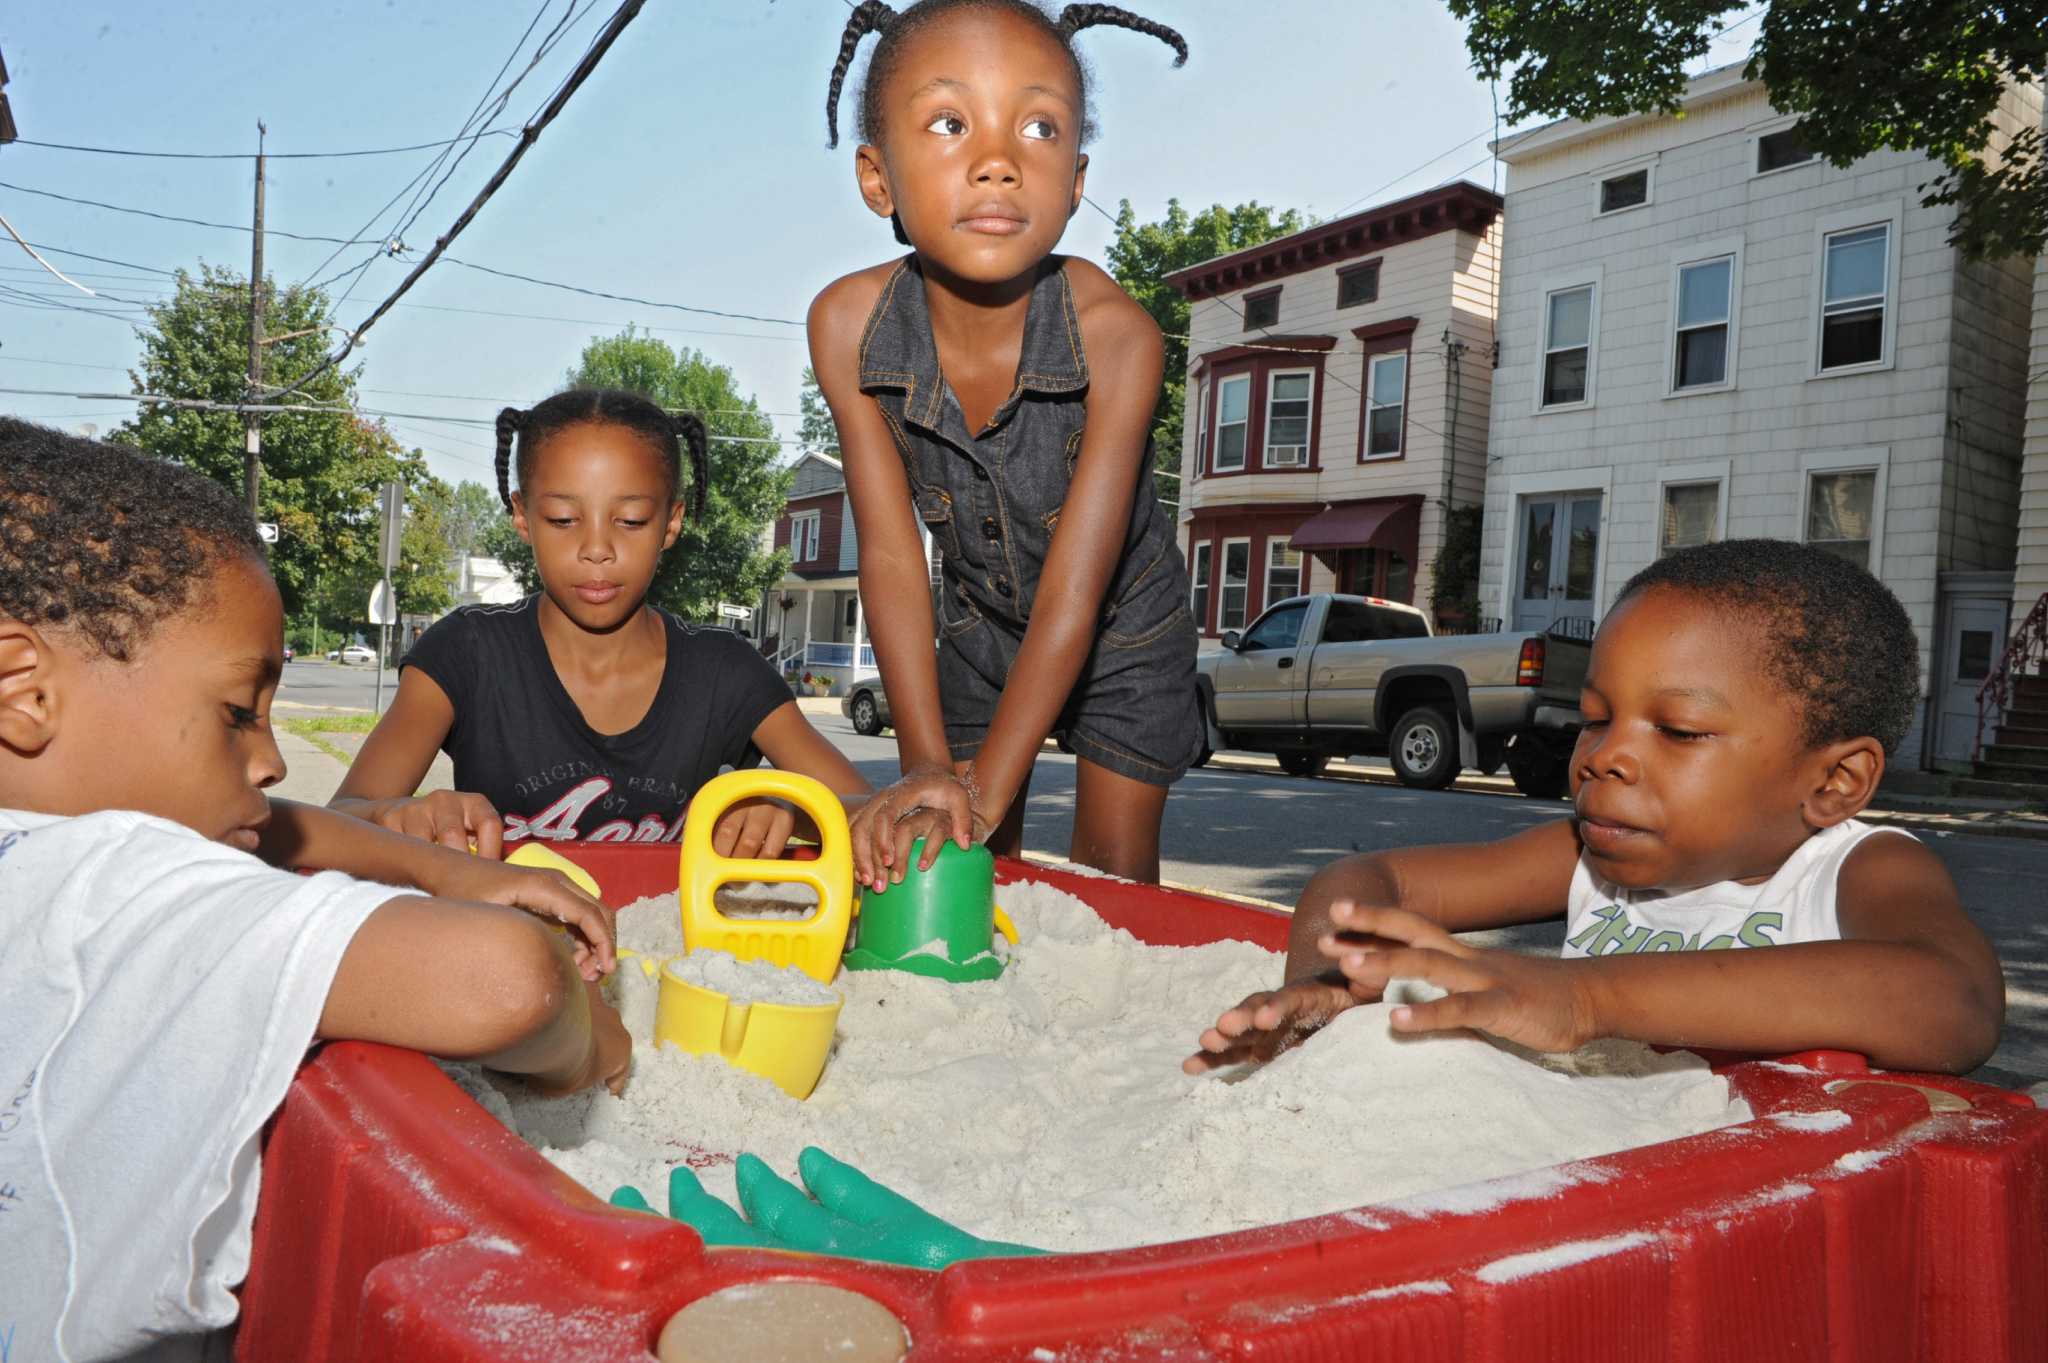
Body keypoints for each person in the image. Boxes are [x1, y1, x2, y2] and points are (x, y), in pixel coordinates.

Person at [0, 420, 631, 1361]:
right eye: (237, 713)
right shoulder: (126, 890)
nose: (272, 758)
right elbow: (509, 981)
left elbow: (276, 824)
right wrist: (593, 1042)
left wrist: (447, 869)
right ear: (25, 688)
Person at [1188, 539, 2005, 1077]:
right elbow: (1362, 886)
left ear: (1835, 782)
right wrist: (1330, 991)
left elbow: (1955, 1001)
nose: (1604, 755)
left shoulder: (1854, 868)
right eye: (1595, 716)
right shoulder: (1587, 856)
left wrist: (1586, 997)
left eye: (1678, 730)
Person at [808, 0, 1199, 891]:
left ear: (1076, 179)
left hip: (1121, 622)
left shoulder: (1120, 339)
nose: (998, 162)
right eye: (950, 124)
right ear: (878, 178)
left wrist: (981, 794)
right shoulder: (846, 327)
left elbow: (1074, 593)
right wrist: (927, 769)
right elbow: (893, 557)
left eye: (1039, 128)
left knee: (1113, 885)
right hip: (977, 624)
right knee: (962, 868)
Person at [332, 388, 867, 854]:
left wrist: (789, 810)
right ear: (521, 515)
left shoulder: (724, 670)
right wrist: (404, 814)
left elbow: (865, 809)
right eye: (563, 519)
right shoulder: (466, 652)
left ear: (671, 522)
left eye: (630, 521)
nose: (596, 548)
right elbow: (342, 817)